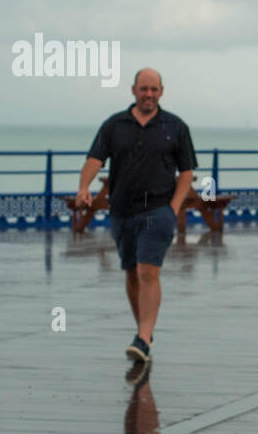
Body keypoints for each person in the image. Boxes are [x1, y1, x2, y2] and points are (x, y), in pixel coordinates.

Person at [78, 68, 198, 364]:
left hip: (158, 210)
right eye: (144, 89)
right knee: (131, 272)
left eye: (154, 89)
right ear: (133, 90)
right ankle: (145, 330)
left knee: (148, 271)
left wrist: (173, 207)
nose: (149, 94)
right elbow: (95, 159)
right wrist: (84, 187)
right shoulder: (114, 125)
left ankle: (143, 338)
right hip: (121, 210)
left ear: (162, 91)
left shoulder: (176, 127)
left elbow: (187, 172)